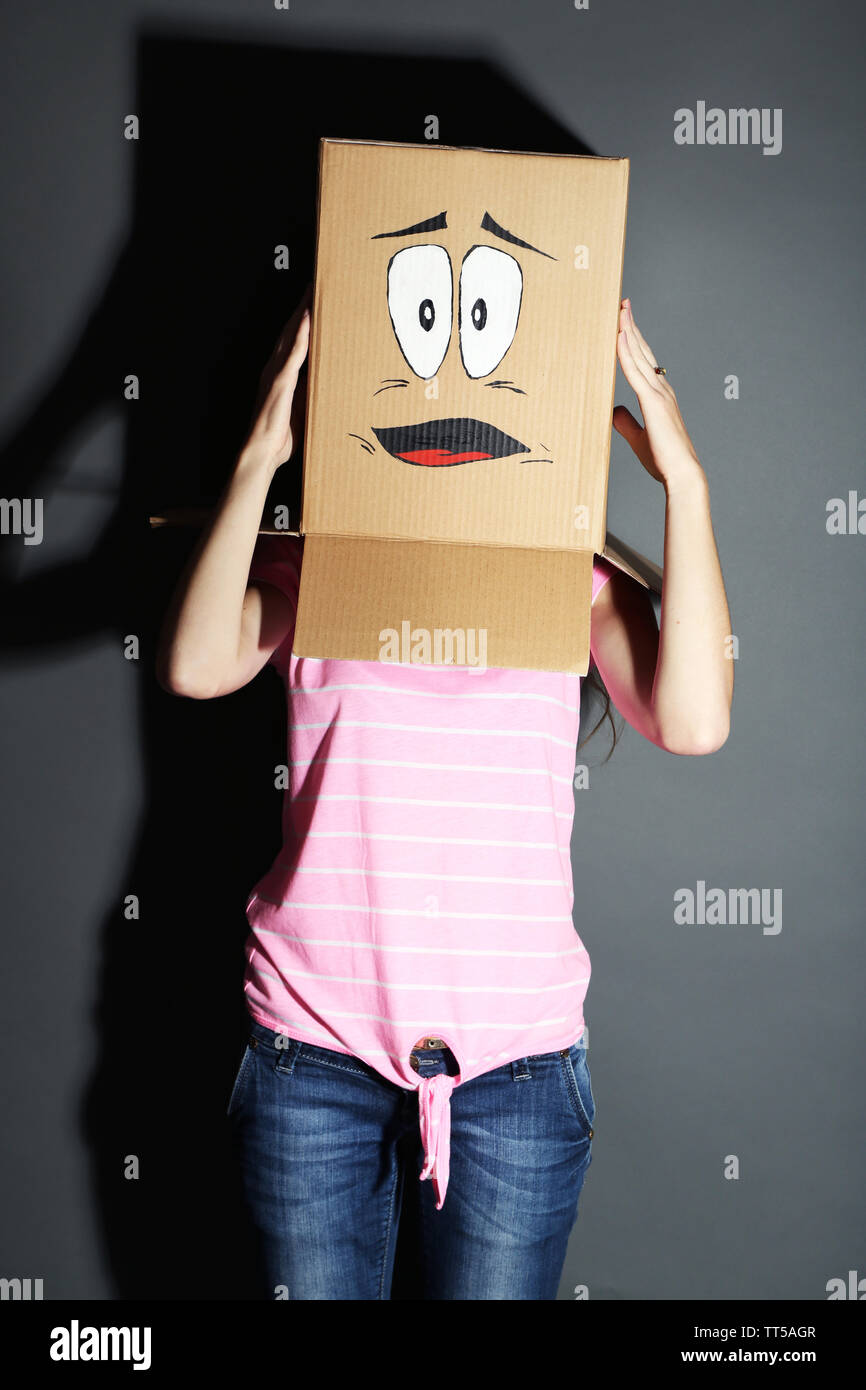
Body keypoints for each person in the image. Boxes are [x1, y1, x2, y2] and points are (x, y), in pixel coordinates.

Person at [156, 286, 733, 1300]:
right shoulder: (315, 567)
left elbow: (692, 720)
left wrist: (680, 476)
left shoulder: (570, 580)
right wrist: (263, 451)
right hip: (312, 1053)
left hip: (516, 1072)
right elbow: (197, 663)